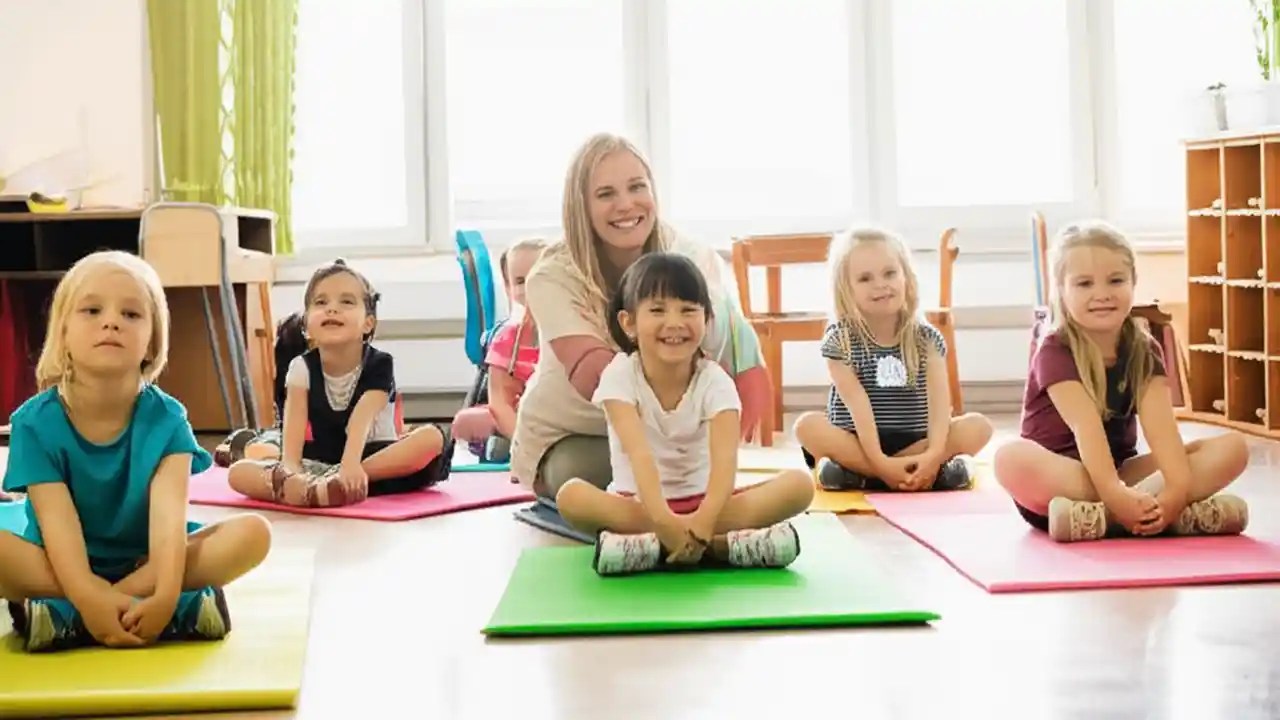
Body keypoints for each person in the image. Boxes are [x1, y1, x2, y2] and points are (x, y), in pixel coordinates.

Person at [0, 251, 271, 653]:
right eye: (92, 310)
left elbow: (168, 525)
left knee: (253, 534)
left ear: (151, 341)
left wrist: (160, 590)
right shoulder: (33, 424)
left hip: (147, 562)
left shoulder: (168, 419)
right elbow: (59, 528)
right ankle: (177, 607)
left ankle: (69, 615)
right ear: (63, 335)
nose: (111, 321)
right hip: (57, 562)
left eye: (131, 314)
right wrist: (88, 593)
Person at [512, 132, 771, 499]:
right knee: (580, 482)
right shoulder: (551, 276)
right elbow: (595, 377)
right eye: (606, 194)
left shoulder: (686, 253)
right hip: (579, 431)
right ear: (579, 206)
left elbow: (725, 322)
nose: (626, 204)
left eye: (637, 187)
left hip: (671, 433)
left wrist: (747, 366)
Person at [556, 253, 812, 575]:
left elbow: (725, 462)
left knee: (800, 486)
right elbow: (640, 455)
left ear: (706, 320)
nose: (674, 322)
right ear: (629, 323)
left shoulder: (715, 380)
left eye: (688, 310)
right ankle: (722, 548)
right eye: (658, 310)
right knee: (571, 497)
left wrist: (704, 520)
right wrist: (663, 521)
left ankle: (659, 547)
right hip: (640, 507)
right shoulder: (619, 375)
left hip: (711, 505)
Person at [993, 220, 1249, 542]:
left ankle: (1115, 518)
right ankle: (1141, 513)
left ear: (1133, 282)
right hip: (1063, 481)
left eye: (1115, 281)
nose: (1102, 294)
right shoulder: (1055, 349)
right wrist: (1115, 495)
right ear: (1061, 289)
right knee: (1010, 459)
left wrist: (1175, 490)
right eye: (1084, 284)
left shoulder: (1143, 348)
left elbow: (1163, 432)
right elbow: (1087, 429)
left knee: (1232, 449)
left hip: (1120, 473)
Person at [225, 259, 453, 507]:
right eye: (321, 302)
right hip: (320, 462)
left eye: (346, 302)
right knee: (239, 473)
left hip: (374, 461)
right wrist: (290, 472)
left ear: (368, 323)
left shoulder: (380, 364)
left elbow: (361, 419)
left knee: (432, 438)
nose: (332, 309)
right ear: (306, 325)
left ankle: (333, 485)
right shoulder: (300, 368)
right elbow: (293, 430)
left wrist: (350, 467)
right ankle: (314, 490)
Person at [794, 227, 993, 491]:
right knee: (806, 426)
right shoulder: (840, 341)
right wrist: (880, 462)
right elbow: (858, 406)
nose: (880, 284)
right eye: (865, 278)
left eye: (889, 273)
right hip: (859, 442)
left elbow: (940, 406)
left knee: (979, 427)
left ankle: (862, 475)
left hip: (916, 441)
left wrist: (933, 454)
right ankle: (912, 474)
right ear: (846, 289)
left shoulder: (927, 338)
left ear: (906, 278)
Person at [451, 236, 547, 463]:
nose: (530, 287)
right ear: (509, 287)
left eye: (539, 278)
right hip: (514, 419)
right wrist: (519, 438)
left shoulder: (569, 334)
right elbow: (498, 402)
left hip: (554, 417)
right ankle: (505, 446)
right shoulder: (506, 338)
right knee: (468, 422)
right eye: (520, 281)